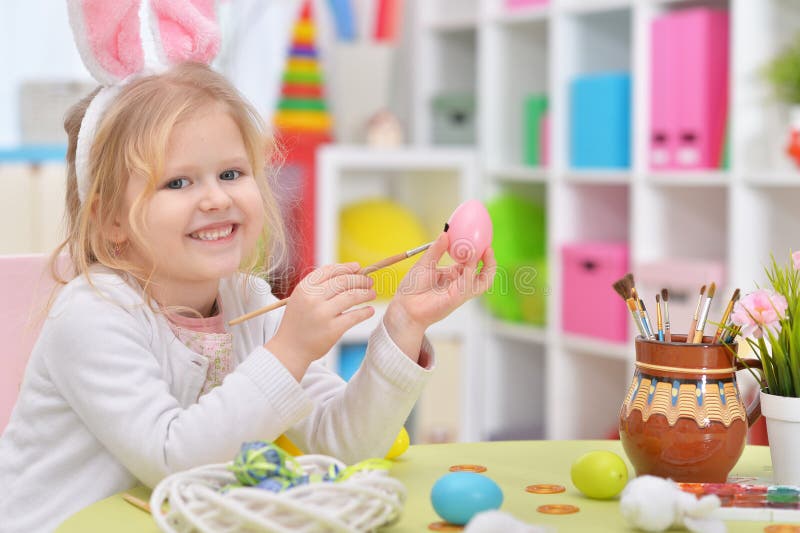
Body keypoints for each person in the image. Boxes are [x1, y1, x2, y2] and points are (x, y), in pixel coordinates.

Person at [0, 60, 496, 532]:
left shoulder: (248, 299)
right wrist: (290, 350)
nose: (217, 198)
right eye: (178, 182)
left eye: (231, 174)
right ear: (111, 219)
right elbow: (172, 460)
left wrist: (404, 325)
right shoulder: (93, 316)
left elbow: (343, 444)